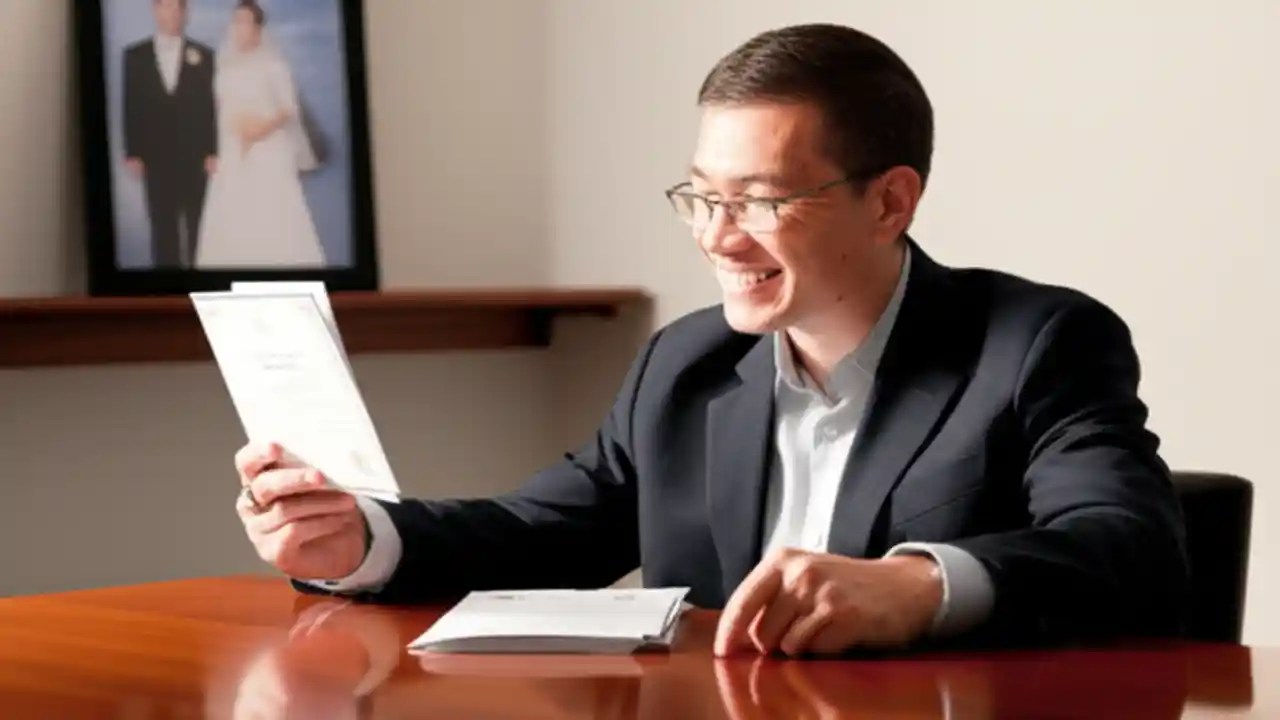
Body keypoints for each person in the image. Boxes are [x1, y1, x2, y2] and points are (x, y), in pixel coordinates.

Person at [233, 24, 1189, 655]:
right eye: (705, 195)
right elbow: (543, 533)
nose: (719, 237)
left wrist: (919, 585)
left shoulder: (1036, 343)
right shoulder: (686, 361)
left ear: (890, 200)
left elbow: (1130, 549)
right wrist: (360, 535)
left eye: (763, 202)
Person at [195, 0, 326, 269]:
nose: (239, 28)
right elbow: (218, 110)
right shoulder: (224, 68)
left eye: (245, 22)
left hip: (268, 149)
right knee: (232, 214)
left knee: (271, 212)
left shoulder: (274, 66)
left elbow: (288, 108)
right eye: (236, 21)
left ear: (258, 29)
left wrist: (259, 129)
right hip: (232, 150)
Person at [122, 0, 217, 268]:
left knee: (198, 223)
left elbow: (211, 107)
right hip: (155, 156)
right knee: (162, 224)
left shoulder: (204, 55)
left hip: (196, 155)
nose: (172, 14)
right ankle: (167, 290)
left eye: (178, 8)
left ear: (186, 13)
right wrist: (133, 152)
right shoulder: (135, 55)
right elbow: (131, 105)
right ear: (155, 10)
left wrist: (212, 151)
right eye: (166, 7)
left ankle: (201, 283)